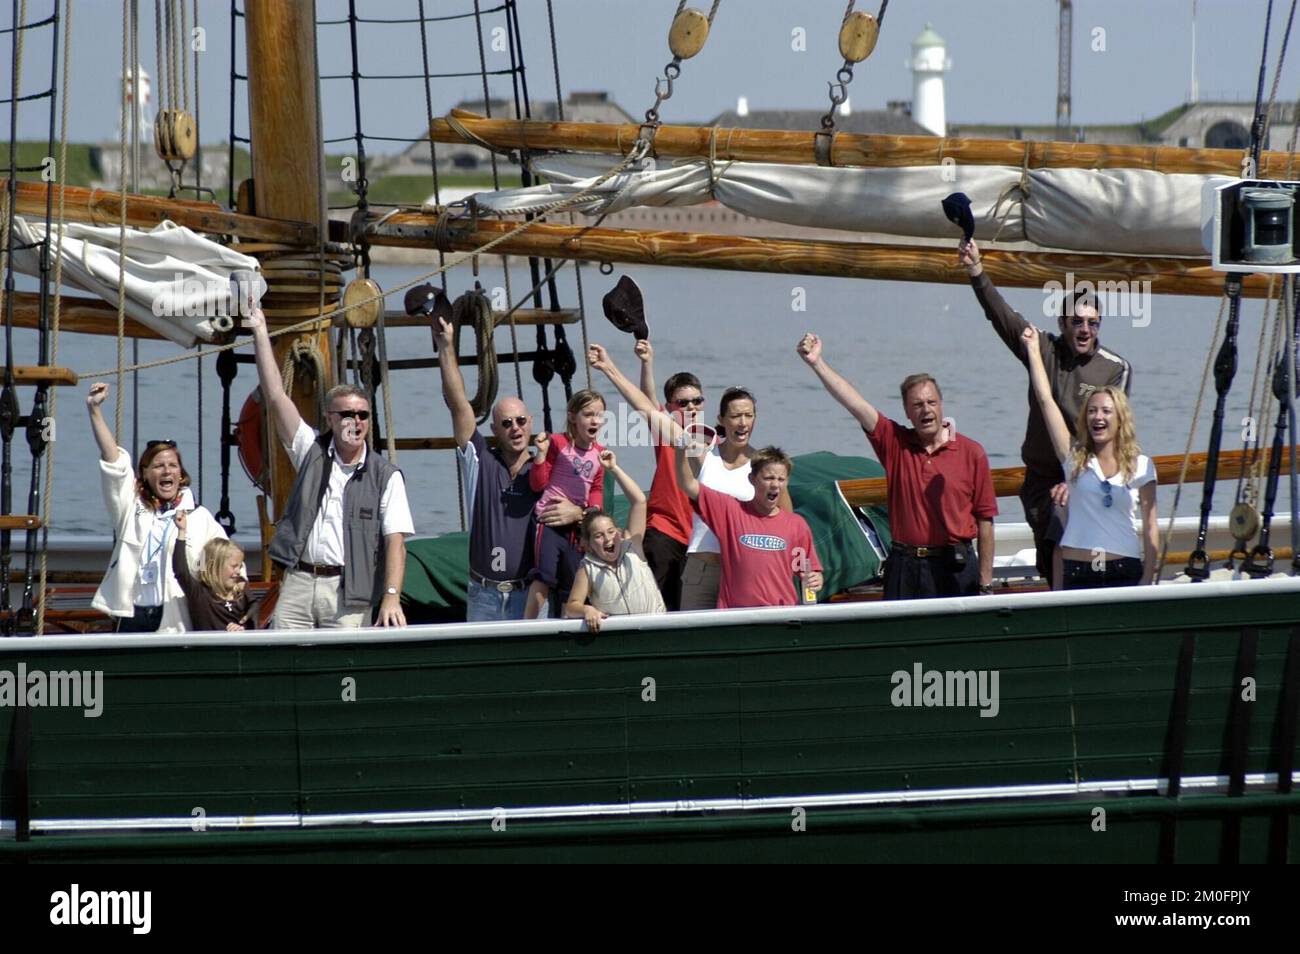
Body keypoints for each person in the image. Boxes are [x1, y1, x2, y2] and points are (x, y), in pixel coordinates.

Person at [959, 238, 1131, 587]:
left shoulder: (1114, 369)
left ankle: (1073, 604)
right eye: (1078, 322)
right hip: (1040, 478)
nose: (1085, 330)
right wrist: (976, 271)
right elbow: (1002, 316)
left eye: (1093, 323)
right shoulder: (1043, 349)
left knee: (1068, 536)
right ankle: (1057, 597)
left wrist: (1077, 480)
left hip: (1088, 476)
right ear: (1063, 322)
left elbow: (1108, 436)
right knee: (1047, 552)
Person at [796, 333, 997, 600]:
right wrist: (817, 362)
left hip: (955, 566)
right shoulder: (895, 443)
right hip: (906, 567)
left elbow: (986, 521)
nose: (926, 410)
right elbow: (855, 403)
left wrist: (985, 584)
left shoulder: (972, 452)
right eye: (917, 405)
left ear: (941, 405)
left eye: (931, 403)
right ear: (906, 411)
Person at [247, 306, 413, 628]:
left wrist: (391, 596)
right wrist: (259, 330)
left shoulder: (386, 476)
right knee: (286, 662)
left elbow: (396, 541)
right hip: (298, 583)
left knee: (343, 670)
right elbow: (276, 395)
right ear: (329, 419)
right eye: (346, 415)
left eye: (362, 415)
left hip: (349, 591)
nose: (355, 421)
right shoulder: (310, 452)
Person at [436, 316, 583, 621]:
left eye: (520, 421)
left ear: (530, 423)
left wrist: (578, 513)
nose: (514, 428)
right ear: (494, 429)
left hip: (531, 596)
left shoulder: (551, 471)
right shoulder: (480, 462)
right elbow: (459, 404)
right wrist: (446, 348)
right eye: (506, 423)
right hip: (483, 595)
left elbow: (595, 511)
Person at [1021, 326, 1157, 588]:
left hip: (1123, 570)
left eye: (1106, 411)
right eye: (1092, 411)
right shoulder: (1074, 460)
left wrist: (1148, 580)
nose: (1098, 417)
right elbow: (1045, 399)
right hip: (1077, 572)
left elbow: (1151, 528)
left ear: (1120, 419)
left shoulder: (1142, 466)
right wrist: (1033, 351)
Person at [86, 381, 227, 633]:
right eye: (158, 466)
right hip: (131, 613)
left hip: (175, 615)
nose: (166, 471)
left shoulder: (200, 518)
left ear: (181, 474)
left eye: (172, 466)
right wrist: (94, 411)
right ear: (145, 473)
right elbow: (114, 463)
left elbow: (228, 563)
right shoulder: (130, 507)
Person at [586, 339, 704, 611]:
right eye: (683, 402)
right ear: (670, 408)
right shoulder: (668, 434)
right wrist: (645, 362)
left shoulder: (713, 443)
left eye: (697, 401)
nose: (691, 407)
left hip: (697, 540)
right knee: (656, 604)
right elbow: (645, 402)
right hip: (664, 531)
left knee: (687, 609)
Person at [674, 443, 823, 609]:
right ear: (752, 479)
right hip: (736, 617)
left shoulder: (797, 525)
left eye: (781, 479)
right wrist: (681, 452)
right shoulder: (730, 512)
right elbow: (687, 484)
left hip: (783, 615)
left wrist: (816, 579)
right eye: (768, 478)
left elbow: (809, 570)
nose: (775, 485)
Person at [523, 389, 608, 619]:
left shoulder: (600, 454)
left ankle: (565, 629)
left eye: (599, 415)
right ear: (572, 417)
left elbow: (597, 489)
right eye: (588, 414)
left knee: (572, 585)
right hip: (548, 521)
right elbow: (538, 484)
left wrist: (591, 514)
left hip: (576, 529)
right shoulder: (558, 443)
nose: (595, 420)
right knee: (544, 577)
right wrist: (540, 455)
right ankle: (527, 626)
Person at [564, 450, 666, 631]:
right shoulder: (588, 567)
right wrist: (587, 609)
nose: (607, 538)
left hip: (655, 631)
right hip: (619, 639)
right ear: (587, 544)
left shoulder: (632, 547)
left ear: (619, 532)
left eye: (611, 531)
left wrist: (613, 469)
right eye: (598, 535)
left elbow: (639, 501)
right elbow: (571, 607)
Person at [172, 509, 256, 631]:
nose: (239, 571)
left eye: (240, 566)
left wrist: (243, 627)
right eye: (234, 566)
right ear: (213, 566)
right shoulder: (199, 593)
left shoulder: (241, 590)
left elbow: (254, 610)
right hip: (209, 648)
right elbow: (180, 571)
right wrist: (181, 532)